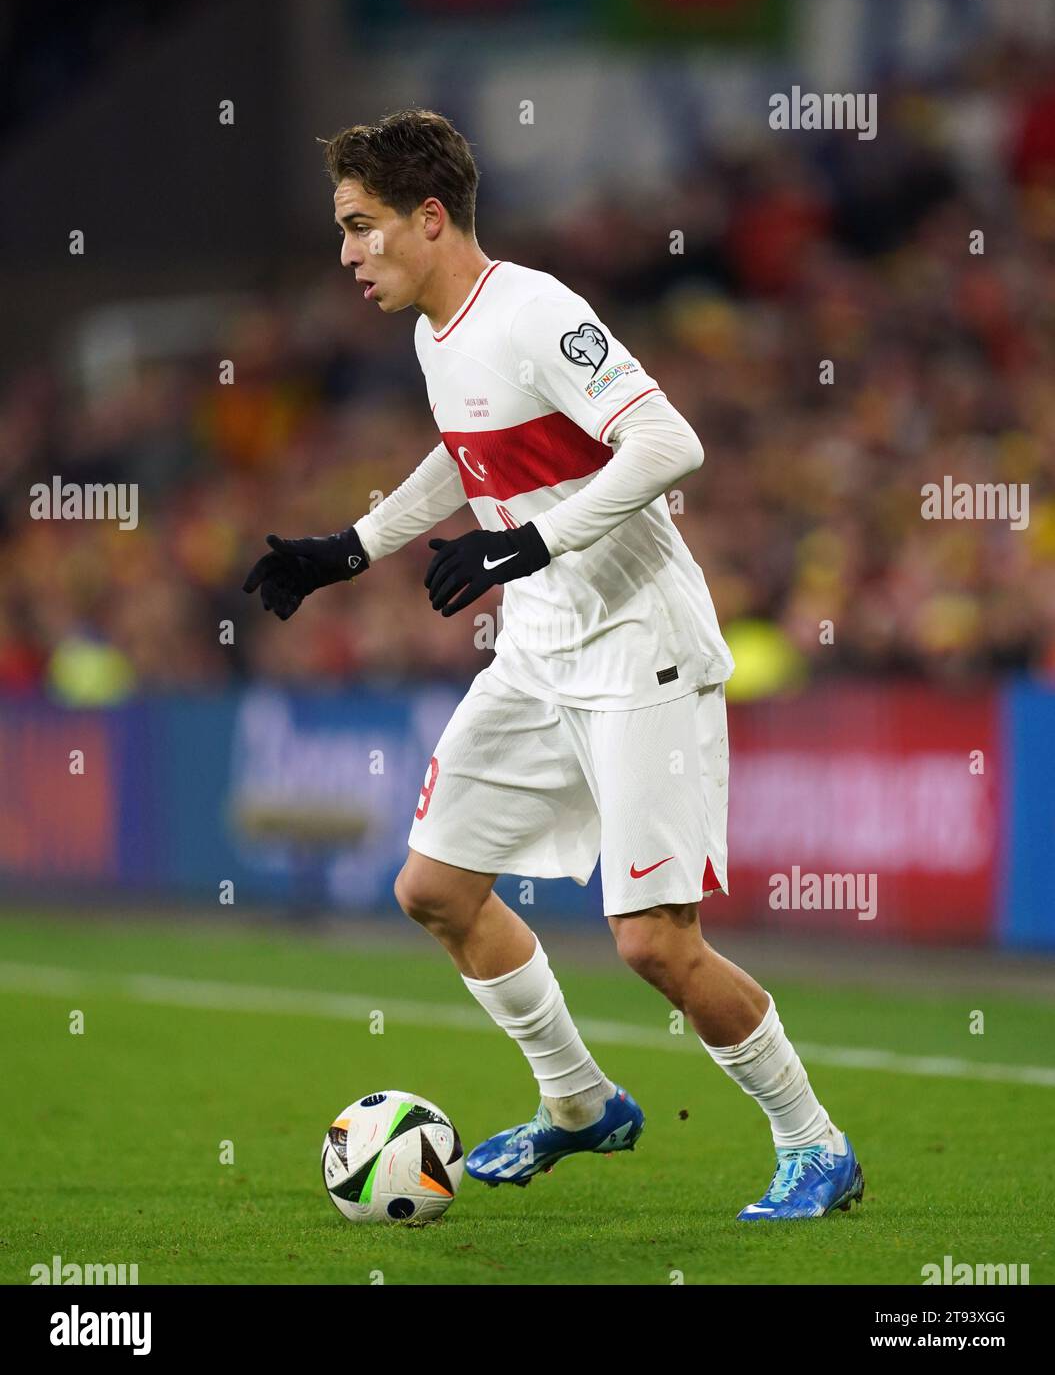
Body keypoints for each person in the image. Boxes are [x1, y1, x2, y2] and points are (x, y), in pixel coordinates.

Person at [243, 108, 863, 1220]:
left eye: (361, 226)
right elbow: (464, 453)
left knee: (654, 946)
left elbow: (670, 442)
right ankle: (578, 1102)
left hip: (637, 648)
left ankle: (813, 1143)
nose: (347, 253)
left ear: (429, 220)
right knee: (434, 888)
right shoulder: (438, 332)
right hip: (538, 646)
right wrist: (351, 548)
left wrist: (530, 539)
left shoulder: (536, 312)